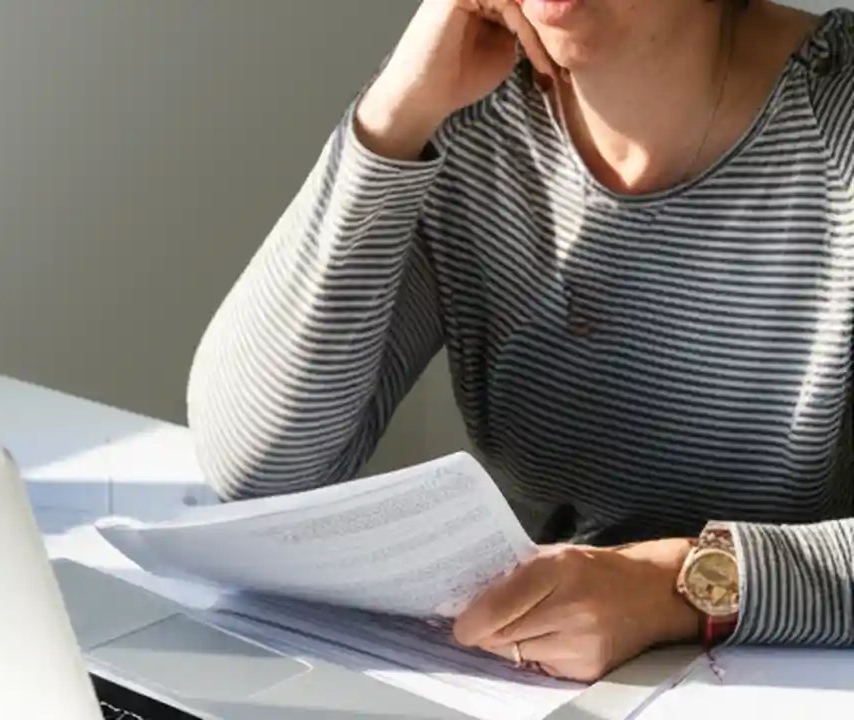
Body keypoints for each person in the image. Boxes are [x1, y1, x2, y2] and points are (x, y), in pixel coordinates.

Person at [187, 0, 854, 682]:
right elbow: (259, 469)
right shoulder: (469, 115)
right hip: (526, 681)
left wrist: (672, 588)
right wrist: (393, 117)